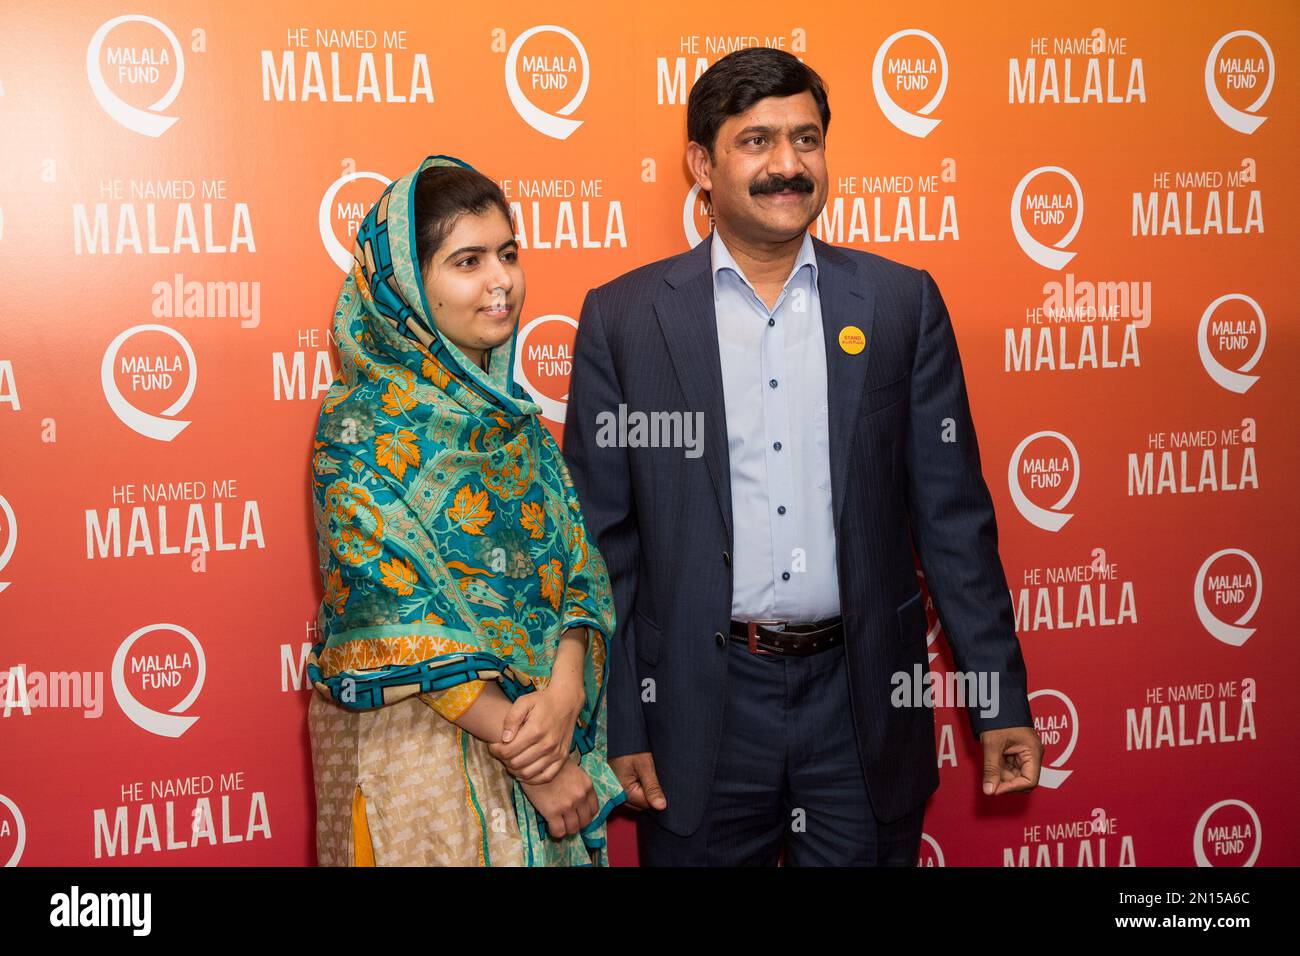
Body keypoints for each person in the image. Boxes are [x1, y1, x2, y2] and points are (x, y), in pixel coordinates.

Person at [563, 48, 1043, 866]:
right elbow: (602, 548)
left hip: (860, 710)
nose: (788, 166)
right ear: (700, 166)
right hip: (697, 716)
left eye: (807, 139)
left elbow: (955, 524)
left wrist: (996, 700)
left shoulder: (899, 304)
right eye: (756, 142)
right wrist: (621, 721)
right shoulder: (626, 321)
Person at [306, 154, 624, 866]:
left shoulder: (518, 425)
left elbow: (580, 569)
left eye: (507, 254)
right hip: (423, 760)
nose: (501, 281)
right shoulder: (359, 429)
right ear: (408, 290)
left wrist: (568, 688)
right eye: (467, 261)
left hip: (545, 732)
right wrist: (538, 763)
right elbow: (390, 620)